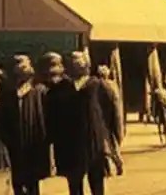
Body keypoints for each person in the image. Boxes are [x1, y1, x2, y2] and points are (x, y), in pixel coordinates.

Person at [47, 52, 122, 195]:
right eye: (73, 62)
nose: (76, 65)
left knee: (97, 184)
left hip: (94, 142)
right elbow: (53, 116)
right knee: (74, 185)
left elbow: (110, 112)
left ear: (87, 64)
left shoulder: (98, 85)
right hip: (71, 143)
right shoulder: (61, 88)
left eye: (79, 61)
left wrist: (109, 136)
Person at [0, 55, 52, 195]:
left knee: (33, 183)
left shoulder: (39, 91)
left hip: (34, 144)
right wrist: (6, 139)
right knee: (18, 182)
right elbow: (2, 119)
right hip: (15, 145)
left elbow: (48, 118)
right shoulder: (8, 94)